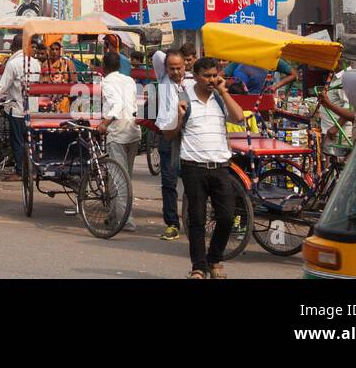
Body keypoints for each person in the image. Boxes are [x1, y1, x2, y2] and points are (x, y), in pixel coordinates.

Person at [160, 57, 245, 279]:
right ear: (196, 76)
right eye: (207, 76)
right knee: (196, 219)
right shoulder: (183, 99)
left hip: (220, 166)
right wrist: (178, 118)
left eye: (214, 75)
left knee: (226, 217)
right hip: (193, 167)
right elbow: (168, 136)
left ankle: (214, 258)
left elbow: (239, 117)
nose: (211, 80)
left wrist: (224, 92)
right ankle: (199, 267)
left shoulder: (219, 98)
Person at [153, 47, 196, 240]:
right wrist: (173, 54)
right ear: (166, 68)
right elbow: (157, 55)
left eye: (179, 67)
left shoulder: (192, 81)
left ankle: (193, 221)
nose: (176, 72)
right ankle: (172, 223)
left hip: (188, 137)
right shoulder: (162, 77)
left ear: (185, 66)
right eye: (172, 68)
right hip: (168, 136)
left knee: (191, 182)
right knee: (169, 183)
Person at [97, 49, 140, 231]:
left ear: (103, 67)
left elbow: (117, 106)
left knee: (118, 180)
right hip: (133, 132)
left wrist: (104, 124)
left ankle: (126, 221)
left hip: (117, 134)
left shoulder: (106, 83)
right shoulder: (129, 80)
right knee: (126, 178)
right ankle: (114, 217)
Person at [0, 34, 38, 181]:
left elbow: (2, 87)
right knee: (30, 141)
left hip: (17, 109)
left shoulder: (13, 63)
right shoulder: (35, 62)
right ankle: (32, 168)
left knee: (17, 141)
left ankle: (19, 171)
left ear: (12, 47)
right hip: (33, 109)